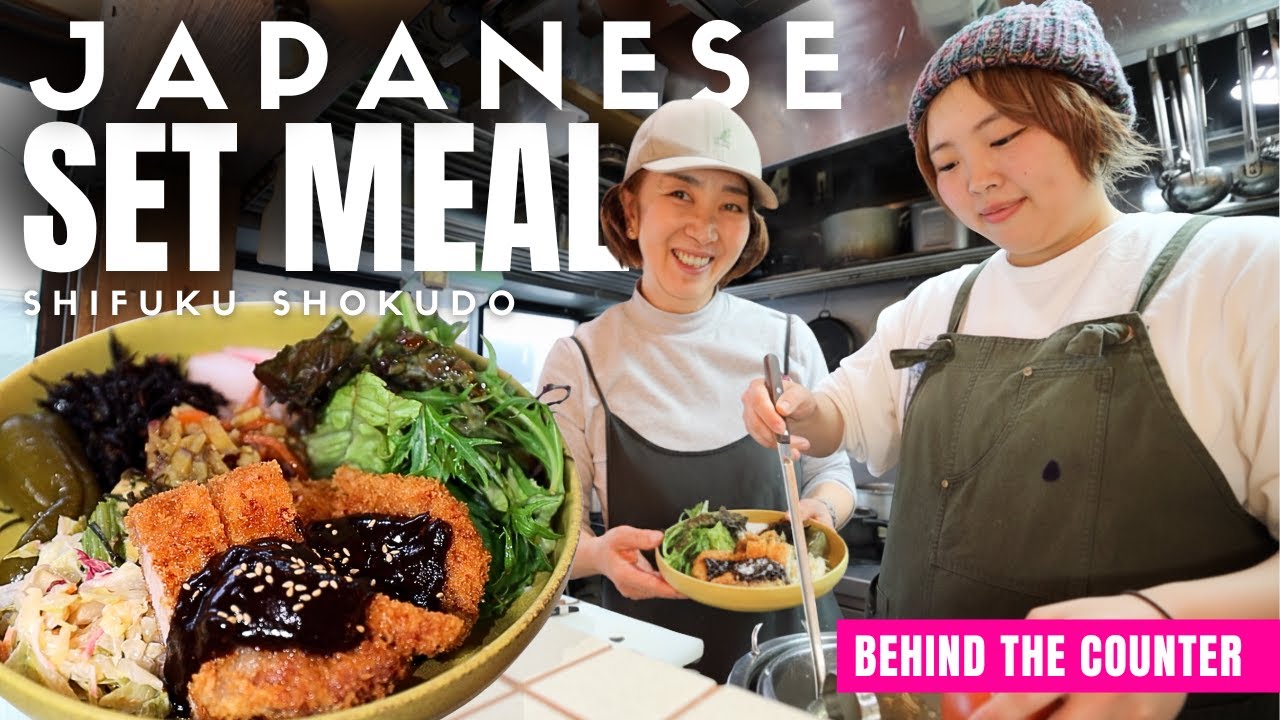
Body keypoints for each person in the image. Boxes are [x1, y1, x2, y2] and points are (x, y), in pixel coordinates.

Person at [740, 1, 1278, 718]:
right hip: (915, 688)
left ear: (1086, 116)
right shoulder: (937, 304)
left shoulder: (1242, 273)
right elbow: (845, 415)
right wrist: (803, 412)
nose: (977, 180)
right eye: (947, 162)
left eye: (1004, 137)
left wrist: (1161, 640)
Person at [538, 98, 858, 681]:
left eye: (730, 205)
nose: (705, 229)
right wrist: (599, 556)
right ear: (631, 212)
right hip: (648, 661)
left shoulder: (786, 339)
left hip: (790, 652)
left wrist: (821, 514)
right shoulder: (580, 358)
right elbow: (553, 530)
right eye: (680, 194)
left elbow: (833, 473)